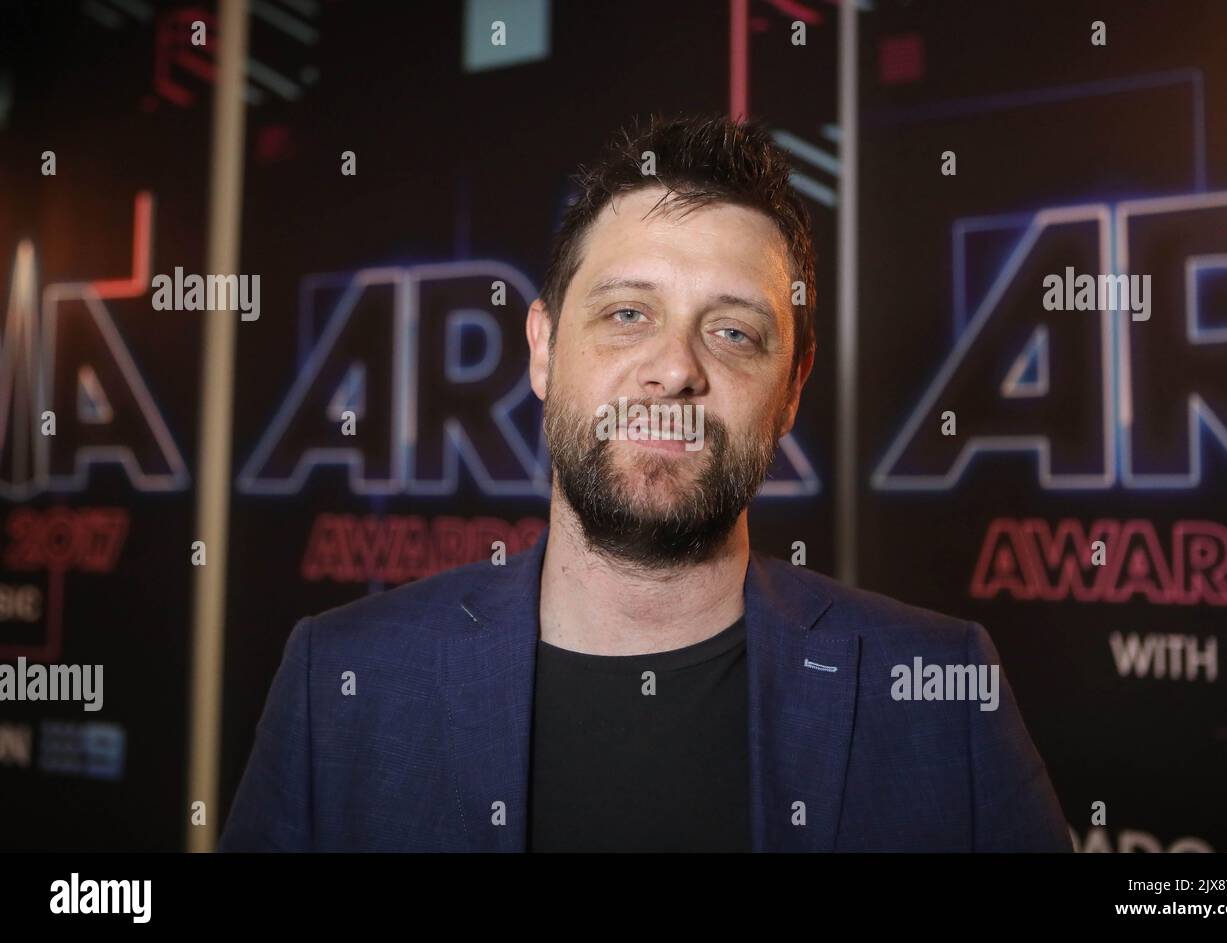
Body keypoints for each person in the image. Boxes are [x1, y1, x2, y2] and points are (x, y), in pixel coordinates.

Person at [220, 113, 1073, 853]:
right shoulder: (340, 680)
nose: (673, 369)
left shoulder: (941, 691)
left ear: (792, 390)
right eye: (628, 314)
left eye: (734, 332)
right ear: (543, 348)